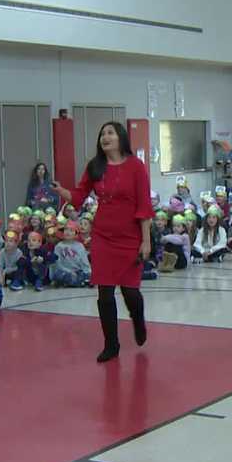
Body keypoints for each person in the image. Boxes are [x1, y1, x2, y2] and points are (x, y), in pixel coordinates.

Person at [53, 121, 153, 363]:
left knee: (131, 293)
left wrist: (146, 241)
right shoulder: (95, 166)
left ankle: (138, 322)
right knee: (105, 294)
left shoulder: (136, 167)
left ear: (121, 138)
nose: (105, 137)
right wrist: (63, 192)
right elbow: (79, 195)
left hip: (131, 238)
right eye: (102, 134)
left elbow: (144, 206)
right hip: (103, 237)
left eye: (110, 133)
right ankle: (111, 344)